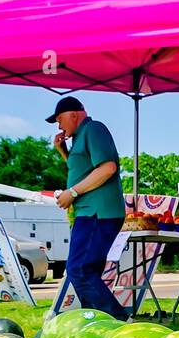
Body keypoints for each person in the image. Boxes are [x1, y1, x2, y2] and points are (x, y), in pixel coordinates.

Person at [49, 95, 129, 320]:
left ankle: (118, 320)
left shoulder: (93, 129)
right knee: (88, 270)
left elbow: (107, 168)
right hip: (89, 212)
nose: (59, 125)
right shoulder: (79, 138)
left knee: (79, 269)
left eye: (60, 119)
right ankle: (94, 322)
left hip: (97, 213)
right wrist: (63, 151)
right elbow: (85, 171)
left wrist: (72, 193)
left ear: (74, 114)